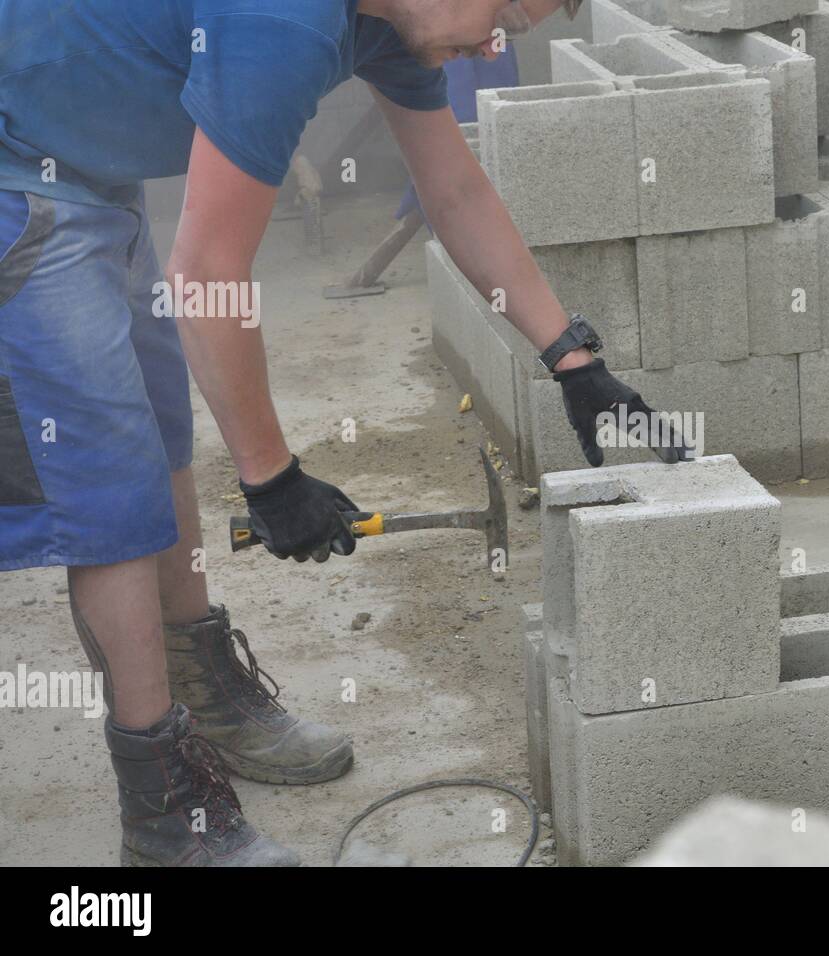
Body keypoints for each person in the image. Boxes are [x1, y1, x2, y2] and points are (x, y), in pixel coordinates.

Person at [0, 0, 684, 867]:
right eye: (508, 9)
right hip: (17, 165)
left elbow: (455, 188)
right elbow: (209, 273)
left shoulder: (387, 25)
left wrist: (569, 357)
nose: (499, 41)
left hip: (89, 167)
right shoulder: (286, 22)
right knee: (104, 483)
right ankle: (164, 813)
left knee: (160, 433)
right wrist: (272, 476)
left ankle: (201, 689)